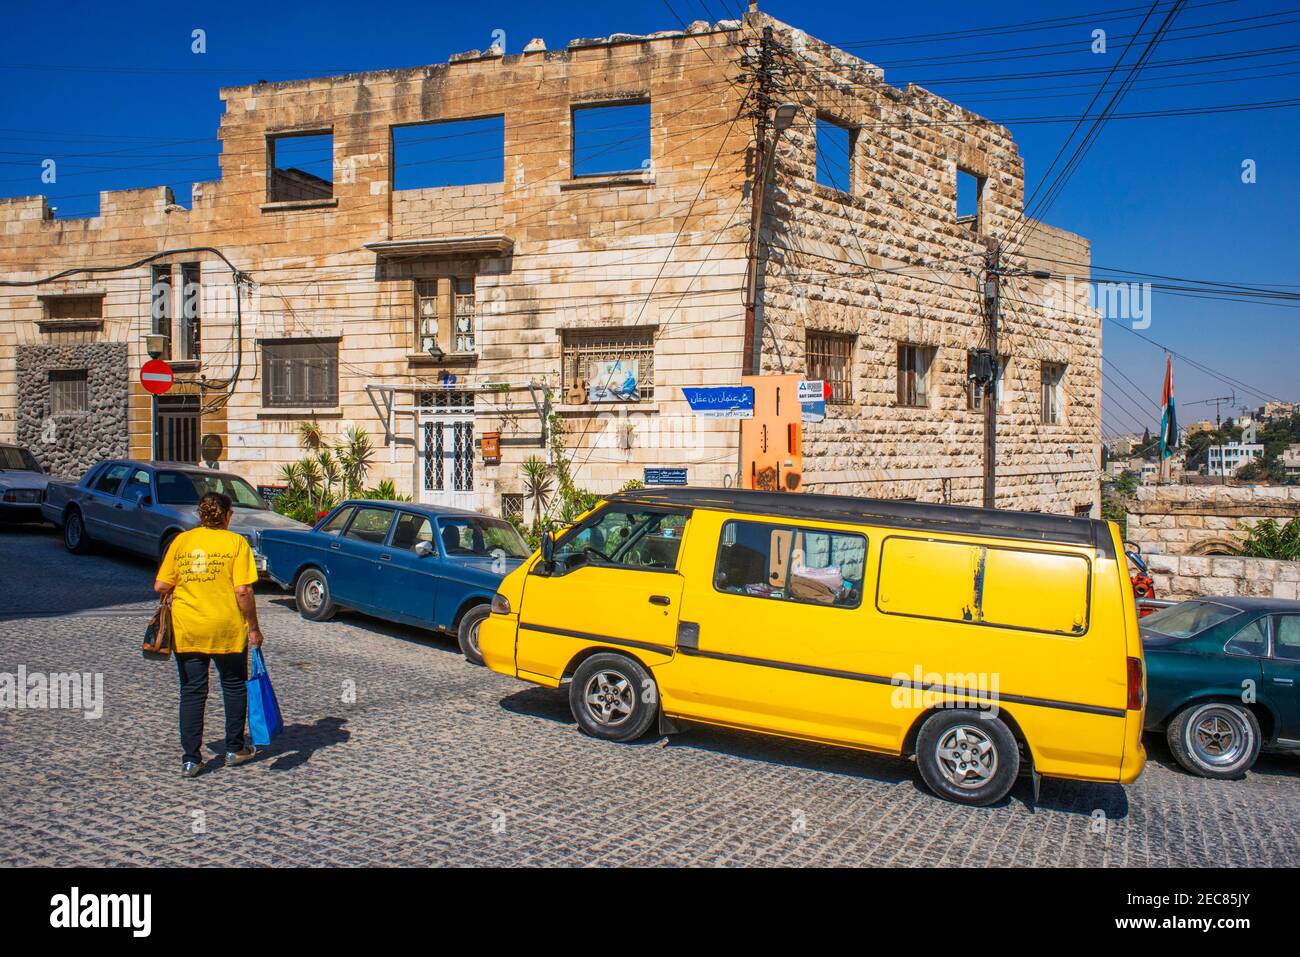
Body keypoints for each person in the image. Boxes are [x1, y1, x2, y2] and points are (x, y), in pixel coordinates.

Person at [154, 491, 265, 778]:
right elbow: (243, 590)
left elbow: (161, 585)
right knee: (233, 686)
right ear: (228, 515)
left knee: (192, 692)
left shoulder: (182, 541)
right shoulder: (235, 543)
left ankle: (191, 759)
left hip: (188, 628)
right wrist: (253, 626)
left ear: (200, 516)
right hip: (226, 628)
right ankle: (234, 748)